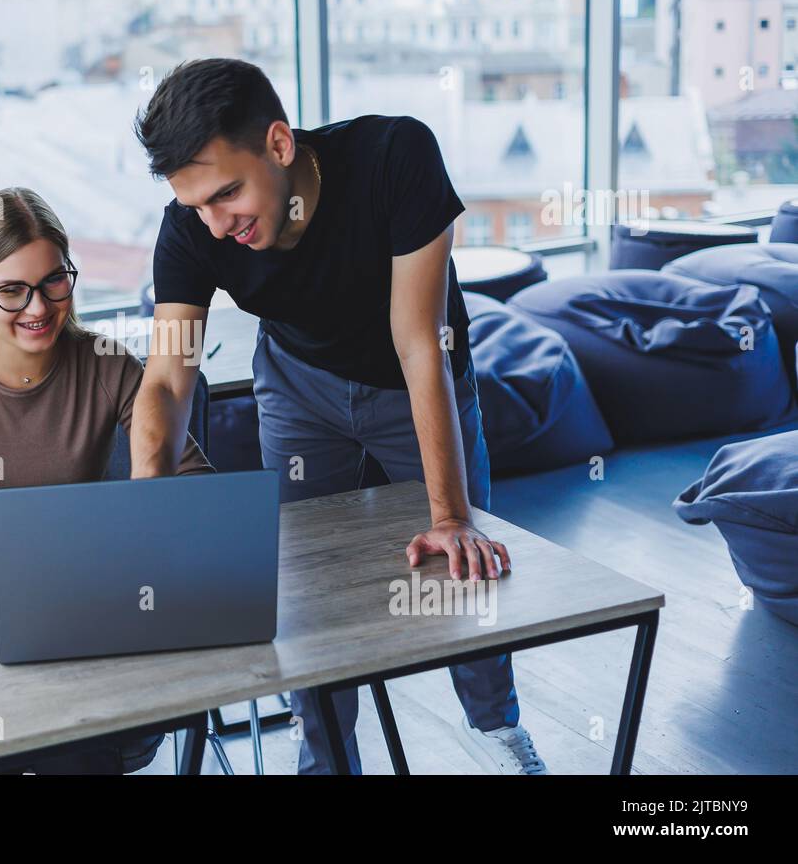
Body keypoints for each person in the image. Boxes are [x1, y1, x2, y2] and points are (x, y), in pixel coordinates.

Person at [128, 58, 547, 775]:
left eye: (227, 193)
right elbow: (168, 376)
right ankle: (326, 760)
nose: (215, 223)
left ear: (280, 145)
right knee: (306, 583)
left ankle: (495, 731)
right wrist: (143, 517)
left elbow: (420, 345)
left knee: (468, 563)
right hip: (299, 388)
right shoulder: (192, 231)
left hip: (414, 379)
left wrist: (448, 516)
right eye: (197, 204)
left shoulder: (394, 157)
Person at [0, 185, 214, 773]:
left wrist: (140, 520)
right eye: (11, 290)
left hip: (77, 601)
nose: (38, 307)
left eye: (53, 282)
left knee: (87, 744)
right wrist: (5, 545)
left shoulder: (108, 365)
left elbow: (195, 481)